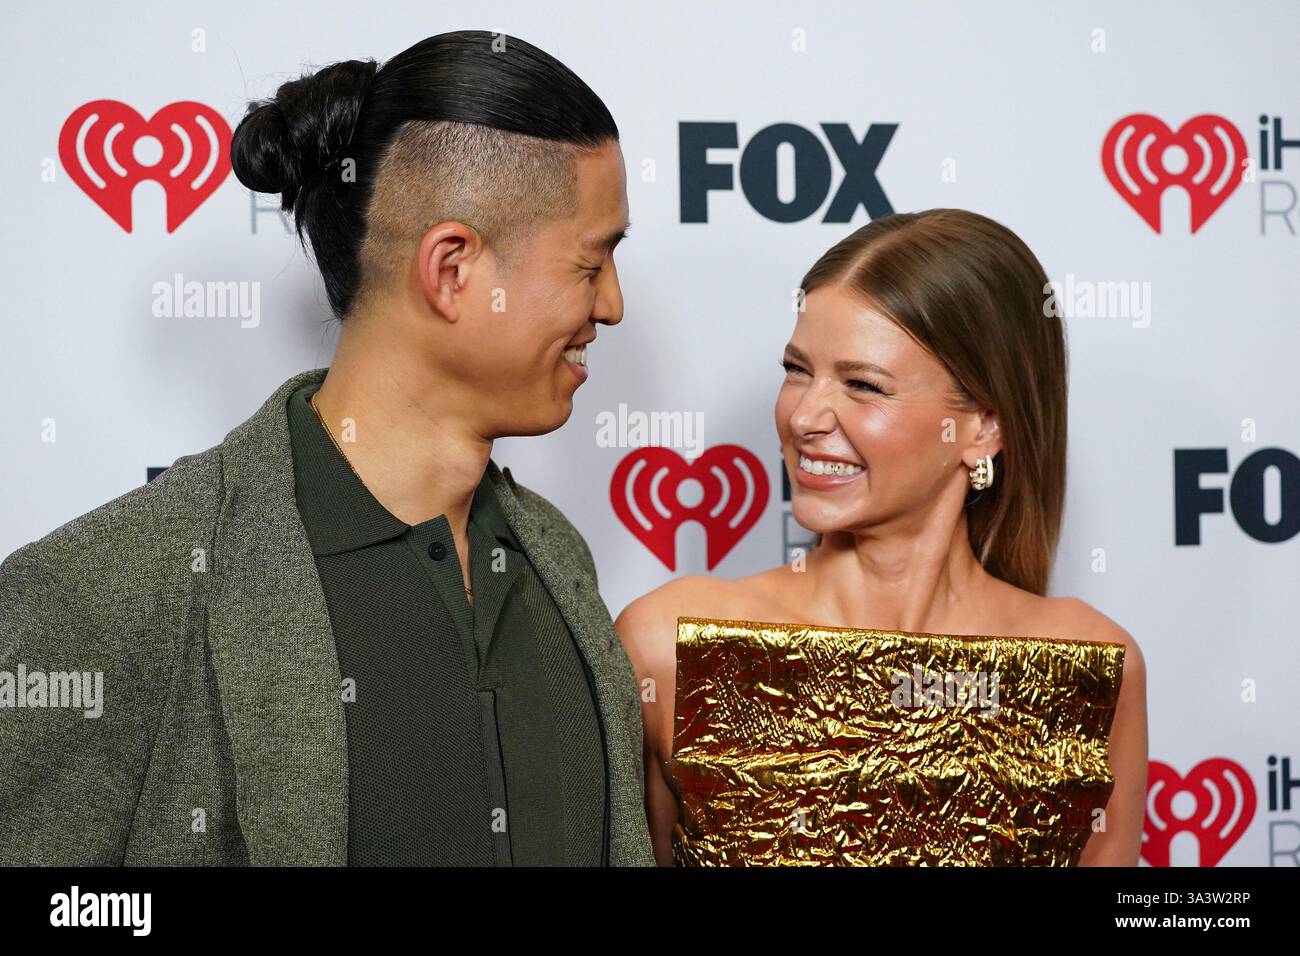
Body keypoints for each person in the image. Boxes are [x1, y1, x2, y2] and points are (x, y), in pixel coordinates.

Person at [0, 30, 653, 866]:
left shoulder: (556, 558)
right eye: (591, 263)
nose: (614, 306)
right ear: (452, 270)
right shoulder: (107, 590)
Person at [617, 209, 1148, 866]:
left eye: (863, 384)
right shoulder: (669, 645)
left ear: (983, 425)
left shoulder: (1092, 665)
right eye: (797, 369)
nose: (806, 415)